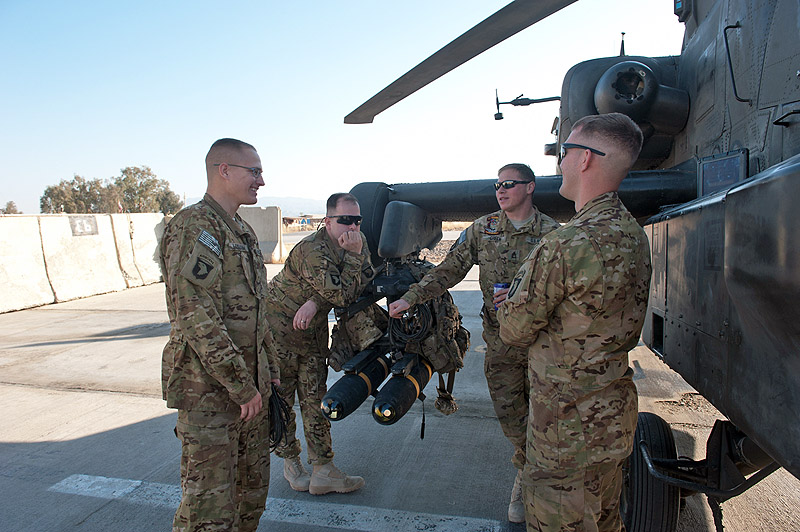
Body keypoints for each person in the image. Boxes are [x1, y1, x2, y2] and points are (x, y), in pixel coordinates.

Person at [497, 113, 650, 532]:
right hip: (611, 421)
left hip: (564, 433)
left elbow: (513, 330)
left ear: (584, 159)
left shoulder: (566, 244)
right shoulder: (633, 235)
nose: (559, 163)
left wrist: (513, 296)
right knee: (605, 522)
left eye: (564, 152)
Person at [388, 163, 560, 523]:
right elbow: (450, 268)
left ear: (529, 188)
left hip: (543, 342)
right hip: (500, 341)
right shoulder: (484, 229)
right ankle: (528, 467)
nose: (501, 189)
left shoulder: (553, 233)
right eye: (497, 184)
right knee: (510, 412)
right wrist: (413, 297)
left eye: (509, 184)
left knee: (548, 415)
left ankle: (532, 480)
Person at [159, 138, 281, 532]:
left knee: (249, 498)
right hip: (211, 394)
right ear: (223, 170)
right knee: (207, 511)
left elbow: (258, 310)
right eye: (254, 171)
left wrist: (269, 370)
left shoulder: (240, 230)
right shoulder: (196, 227)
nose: (261, 180)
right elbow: (195, 315)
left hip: (250, 392)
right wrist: (240, 385)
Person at [267, 192, 373, 495]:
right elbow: (341, 295)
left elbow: (364, 281)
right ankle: (291, 463)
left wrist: (315, 301)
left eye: (357, 220)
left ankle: (323, 469)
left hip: (312, 332)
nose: (352, 227)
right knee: (283, 399)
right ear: (328, 222)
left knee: (315, 399)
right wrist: (353, 257)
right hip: (279, 330)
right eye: (345, 220)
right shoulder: (312, 250)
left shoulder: (354, 242)